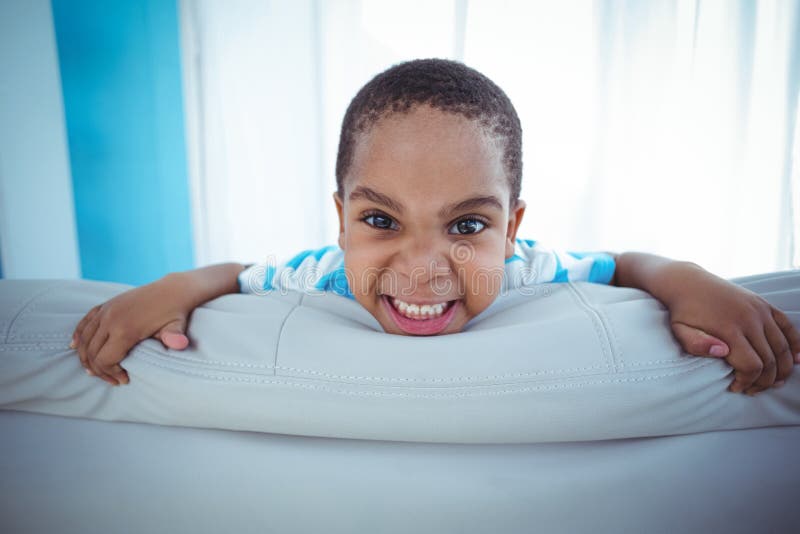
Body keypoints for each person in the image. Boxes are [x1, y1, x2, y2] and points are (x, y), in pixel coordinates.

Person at [71, 58, 800, 396]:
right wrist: (170, 288)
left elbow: (621, 262)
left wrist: (691, 281)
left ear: (512, 230)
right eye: (380, 219)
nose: (423, 268)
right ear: (341, 221)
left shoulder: (531, 268)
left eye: (468, 224)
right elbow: (236, 274)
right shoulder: (320, 273)